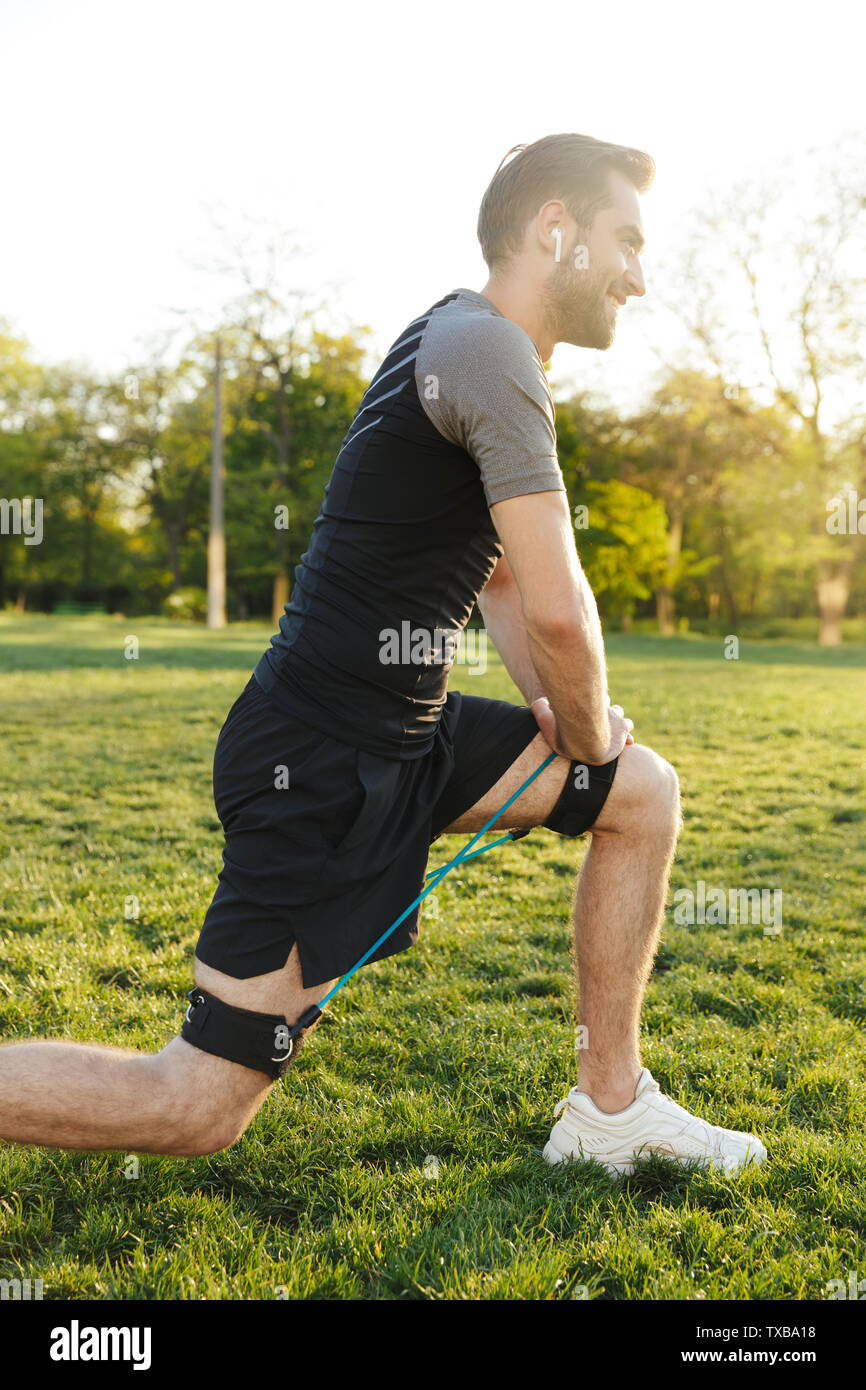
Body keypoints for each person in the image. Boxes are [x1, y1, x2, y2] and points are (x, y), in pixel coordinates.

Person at [0, 133, 766, 1176]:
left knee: (638, 793)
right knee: (195, 1104)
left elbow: (496, 580)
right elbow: (555, 607)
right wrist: (584, 726)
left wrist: (576, 738)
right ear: (555, 231)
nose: (640, 274)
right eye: (623, 240)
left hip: (407, 737)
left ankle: (608, 1107)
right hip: (317, 758)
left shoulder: (460, 340)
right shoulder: (486, 351)